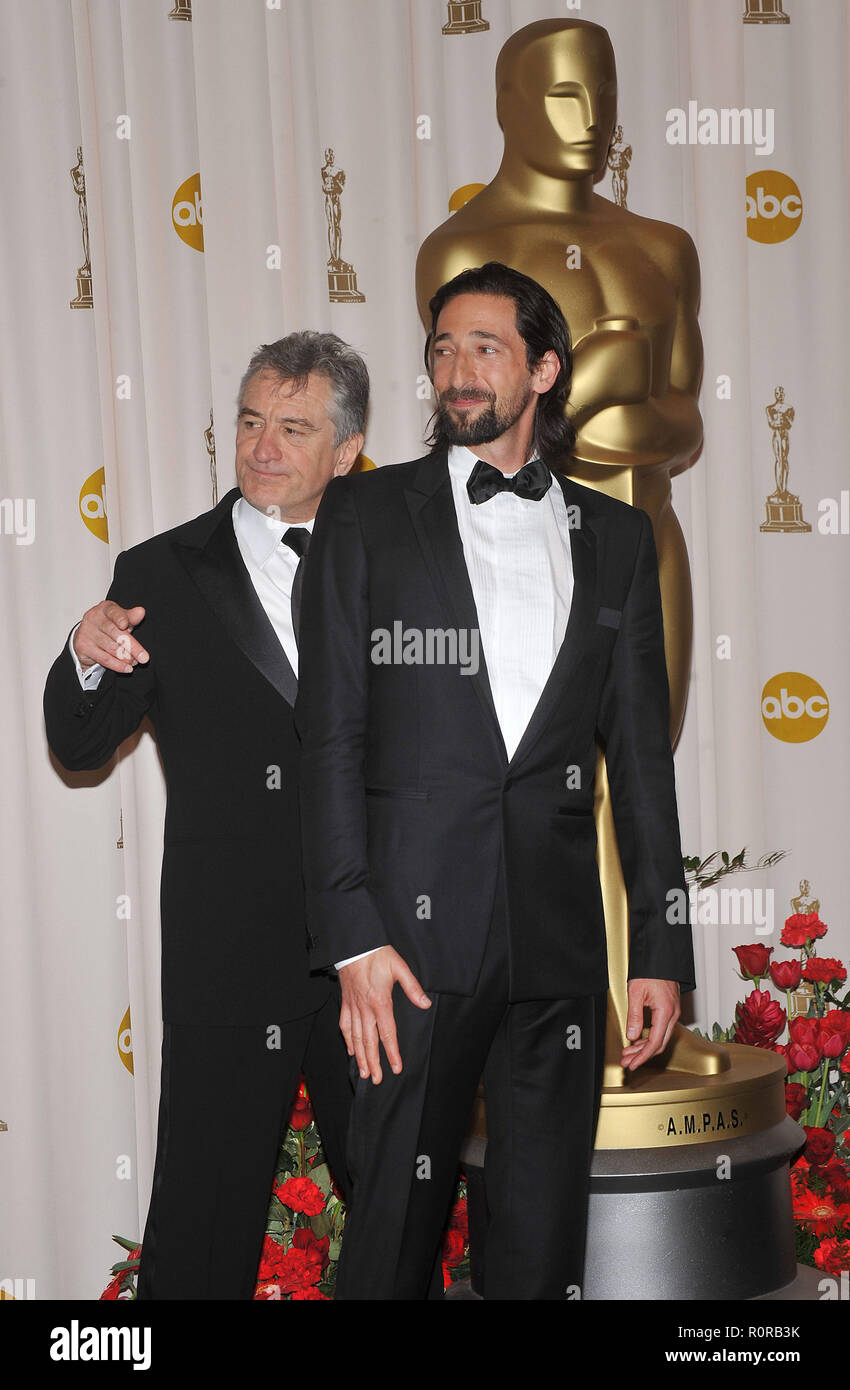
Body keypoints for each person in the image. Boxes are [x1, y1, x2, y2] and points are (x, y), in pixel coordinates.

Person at [295, 263, 696, 1300]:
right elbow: (328, 734)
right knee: (391, 1231)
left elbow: (641, 764)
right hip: (406, 943)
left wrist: (657, 949)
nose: (456, 370)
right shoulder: (365, 513)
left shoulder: (616, 538)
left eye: (484, 347)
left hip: (555, 942)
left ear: (545, 369)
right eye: (440, 348)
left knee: (538, 1232)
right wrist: (350, 933)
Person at [43, 332, 366, 1299]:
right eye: (252, 421)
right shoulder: (161, 571)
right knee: (200, 1216)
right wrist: (85, 649)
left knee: (400, 1205)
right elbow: (81, 740)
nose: (264, 446)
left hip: (377, 947)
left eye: (294, 428)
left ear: (347, 451)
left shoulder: (397, 560)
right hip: (229, 948)